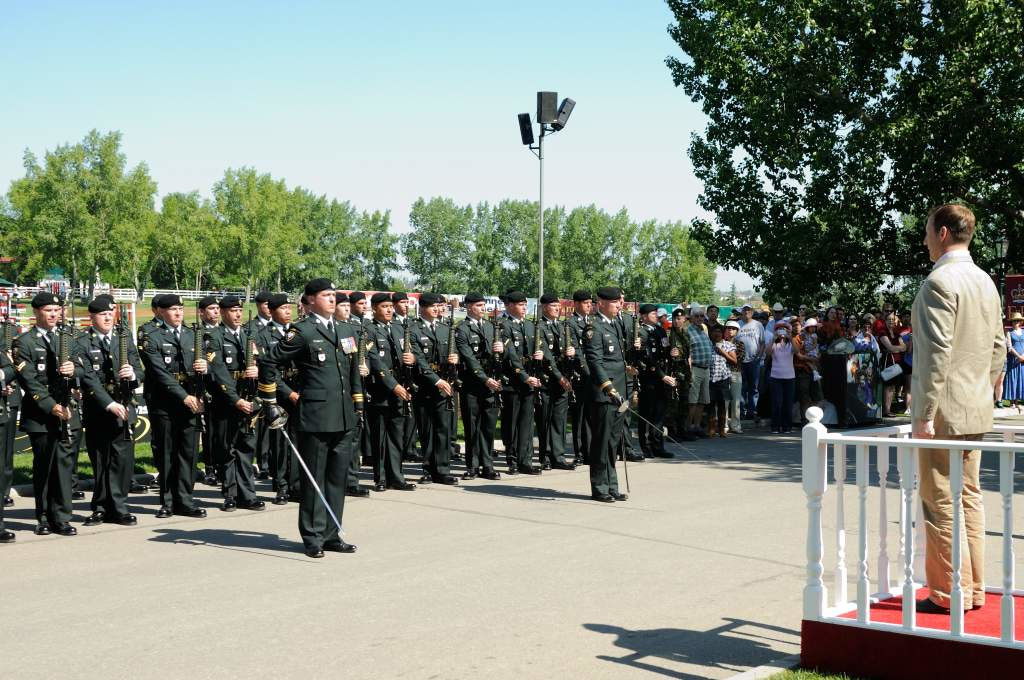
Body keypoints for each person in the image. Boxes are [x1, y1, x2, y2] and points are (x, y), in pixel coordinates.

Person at [911, 203, 1004, 614]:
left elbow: (934, 356)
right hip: (976, 408)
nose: (925, 239)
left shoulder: (938, 282)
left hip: (944, 412)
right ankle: (976, 588)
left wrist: (925, 414)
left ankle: (948, 593)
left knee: (939, 503)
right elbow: (999, 347)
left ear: (944, 233)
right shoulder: (986, 281)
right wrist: (986, 390)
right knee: (969, 498)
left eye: (928, 231)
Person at [257, 278, 364, 558]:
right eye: (326, 295)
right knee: (314, 478)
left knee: (337, 478)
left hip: (343, 416)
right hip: (315, 416)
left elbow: (352, 371)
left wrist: (358, 403)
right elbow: (269, 361)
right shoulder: (302, 331)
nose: (332, 300)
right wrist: (270, 400)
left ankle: (332, 533)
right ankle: (312, 536)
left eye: (334, 295)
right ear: (311, 300)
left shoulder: (346, 329)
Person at [14, 292, 86, 535]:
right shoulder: (24, 342)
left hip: (68, 412)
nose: (54, 314)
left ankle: (62, 517)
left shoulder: (68, 338)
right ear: (36, 313)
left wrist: (74, 369)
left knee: (65, 467)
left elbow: (82, 367)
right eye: (48, 310)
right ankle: (44, 517)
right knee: (44, 466)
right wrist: (49, 405)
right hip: (42, 415)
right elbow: (29, 380)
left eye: (57, 310)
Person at [73, 296, 144, 527]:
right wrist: (108, 404)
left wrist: (132, 375)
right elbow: (88, 379)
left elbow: (140, 372)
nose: (107, 317)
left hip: (124, 406)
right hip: (99, 409)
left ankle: (120, 507)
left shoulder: (124, 339)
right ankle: (101, 507)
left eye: (110, 313)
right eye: (102, 314)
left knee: (122, 460)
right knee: (101, 459)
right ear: (92, 317)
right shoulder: (82, 341)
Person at [142, 294, 209, 519]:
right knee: (167, 451)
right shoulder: (150, 335)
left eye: (180, 308)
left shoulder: (192, 334)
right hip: (164, 402)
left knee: (188, 452)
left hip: (190, 401)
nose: (178, 313)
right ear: (160, 311)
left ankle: (185, 500)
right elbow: (158, 372)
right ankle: (168, 501)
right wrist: (184, 396)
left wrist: (204, 366)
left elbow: (206, 365)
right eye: (172, 309)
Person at [207, 295, 265, 512]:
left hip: (249, 400)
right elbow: (219, 372)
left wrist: (257, 370)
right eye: (233, 311)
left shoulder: (250, 336)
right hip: (227, 402)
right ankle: (230, 494)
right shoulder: (214, 337)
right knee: (227, 449)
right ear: (222, 313)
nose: (238, 315)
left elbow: (264, 361)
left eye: (240, 310)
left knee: (246, 447)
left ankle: (247, 494)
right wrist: (236, 400)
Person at [364, 293, 417, 491]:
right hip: (381, 389)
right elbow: (376, 362)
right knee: (380, 435)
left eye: (390, 306)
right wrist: (393, 385)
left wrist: (412, 359)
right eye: (384, 306)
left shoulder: (398, 328)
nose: (388, 310)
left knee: (396, 434)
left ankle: (396, 476)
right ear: (374, 308)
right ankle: (381, 477)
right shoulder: (368, 330)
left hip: (401, 388)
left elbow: (408, 352)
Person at [582, 286, 628, 503]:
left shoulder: (615, 324)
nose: (619, 304)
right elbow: (595, 362)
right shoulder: (594, 328)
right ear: (600, 303)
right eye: (615, 301)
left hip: (620, 392)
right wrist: (609, 388)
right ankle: (600, 487)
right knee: (601, 441)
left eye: (620, 301)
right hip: (605, 394)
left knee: (612, 441)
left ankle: (612, 485)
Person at [257, 293, 303, 504]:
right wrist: (289, 393)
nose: (288, 311)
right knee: (281, 444)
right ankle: (281, 486)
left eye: (289, 308)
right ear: (272, 310)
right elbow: (269, 369)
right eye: (283, 308)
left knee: (298, 440)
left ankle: (296, 485)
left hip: (299, 392)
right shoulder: (263, 334)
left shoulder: (297, 331)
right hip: (280, 394)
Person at [409, 292, 460, 485]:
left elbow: (453, 353)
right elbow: (419, 361)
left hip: (445, 385)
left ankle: (443, 469)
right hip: (425, 385)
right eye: (433, 306)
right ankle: (428, 468)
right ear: (422, 307)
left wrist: (455, 359)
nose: (437, 309)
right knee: (427, 429)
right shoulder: (414, 329)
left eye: (440, 306)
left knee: (443, 428)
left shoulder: (444, 328)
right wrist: (436, 380)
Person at [455, 292, 503, 480]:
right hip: (472, 384)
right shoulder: (462, 329)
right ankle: (472, 466)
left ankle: (487, 465)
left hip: (490, 384)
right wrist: (484, 379)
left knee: (489, 426)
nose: (482, 309)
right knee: (472, 426)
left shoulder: (491, 327)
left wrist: (501, 350)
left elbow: (499, 357)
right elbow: (469, 358)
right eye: (478, 306)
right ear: (468, 307)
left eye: (483, 305)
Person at [498, 291, 544, 474]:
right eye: (520, 304)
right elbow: (510, 357)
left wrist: (539, 356)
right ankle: (512, 459)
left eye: (525, 304)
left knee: (526, 422)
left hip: (529, 381)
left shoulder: (529, 325)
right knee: (511, 422)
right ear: (509, 306)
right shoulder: (504, 325)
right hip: (513, 381)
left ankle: (525, 460)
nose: (524, 307)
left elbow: (535, 348)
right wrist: (525, 376)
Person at [535, 294, 577, 469]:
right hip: (548, 380)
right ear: (544, 307)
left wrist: (572, 355)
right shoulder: (540, 327)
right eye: (553, 306)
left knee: (559, 419)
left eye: (558, 306)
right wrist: (560, 378)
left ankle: (558, 457)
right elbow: (547, 357)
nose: (557, 308)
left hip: (563, 381)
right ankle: (545, 456)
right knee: (545, 419)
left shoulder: (561, 327)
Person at [636, 303, 676, 455]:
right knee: (647, 412)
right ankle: (645, 446)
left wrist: (671, 353)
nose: (656, 316)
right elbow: (647, 358)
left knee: (659, 413)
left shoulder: (660, 330)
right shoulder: (641, 332)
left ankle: (658, 445)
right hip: (649, 378)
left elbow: (664, 351)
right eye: (653, 314)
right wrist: (662, 375)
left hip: (661, 377)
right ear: (644, 316)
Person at [565, 290, 593, 463]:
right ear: (576, 304)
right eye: (585, 302)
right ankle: (580, 452)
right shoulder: (571, 323)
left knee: (590, 415)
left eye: (590, 302)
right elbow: (577, 351)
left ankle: (590, 450)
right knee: (580, 415)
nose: (589, 305)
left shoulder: (593, 321)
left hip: (593, 374)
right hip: (581, 375)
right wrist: (589, 372)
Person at [685, 306, 713, 438]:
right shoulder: (688, 331)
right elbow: (687, 354)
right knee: (692, 401)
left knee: (702, 401)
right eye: (697, 316)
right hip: (695, 369)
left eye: (702, 316)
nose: (700, 318)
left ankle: (696, 426)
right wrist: (689, 372)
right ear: (691, 317)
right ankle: (688, 427)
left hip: (705, 369)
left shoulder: (703, 330)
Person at [765, 320, 795, 434]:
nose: (782, 331)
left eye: (784, 329)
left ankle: (787, 426)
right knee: (777, 402)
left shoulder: (790, 343)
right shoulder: (774, 343)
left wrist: (790, 337)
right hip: (775, 377)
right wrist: (774, 338)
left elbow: (796, 351)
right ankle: (775, 426)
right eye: (779, 329)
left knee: (788, 403)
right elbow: (767, 353)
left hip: (790, 377)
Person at [792, 317, 823, 420]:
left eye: (798, 325)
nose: (796, 327)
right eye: (794, 325)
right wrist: (812, 359)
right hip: (802, 371)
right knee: (804, 398)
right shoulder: (794, 339)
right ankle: (804, 421)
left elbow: (816, 349)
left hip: (813, 370)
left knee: (817, 396)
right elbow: (799, 356)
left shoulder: (813, 336)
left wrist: (818, 357)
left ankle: (814, 419)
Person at [736, 304, 763, 420]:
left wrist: (758, 357)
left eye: (749, 310)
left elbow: (762, 343)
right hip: (740, 361)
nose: (746, 312)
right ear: (741, 312)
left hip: (754, 361)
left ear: (752, 312)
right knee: (741, 387)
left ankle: (752, 412)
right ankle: (741, 412)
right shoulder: (737, 324)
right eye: (744, 310)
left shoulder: (758, 325)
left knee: (754, 388)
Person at [878, 312, 908, 417]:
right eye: (889, 319)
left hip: (897, 364)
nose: (891, 321)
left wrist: (894, 349)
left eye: (893, 319)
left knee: (892, 387)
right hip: (887, 363)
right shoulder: (882, 332)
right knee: (887, 386)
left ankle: (888, 409)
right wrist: (896, 348)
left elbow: (904, 347)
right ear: (885, 321)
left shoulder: (896, 333)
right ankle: (886, 410)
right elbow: (890, 347)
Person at [708, 325, 735, 437]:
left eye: (719, 331)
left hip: (723, 379)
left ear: (723, 333)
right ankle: (711, 429)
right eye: (715, 331)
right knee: (711, 405)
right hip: (710, 378)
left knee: (722, 405)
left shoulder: (729, 345)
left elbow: (734, 361)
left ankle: (722, 429)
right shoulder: (708, 345)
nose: (717, 333)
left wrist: (722, 352)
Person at [723, 320, 744, 433]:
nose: (730, 330)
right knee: (725, 400)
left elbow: (738, 360)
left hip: (735, 373)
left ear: (737, 331)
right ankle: (724, 425)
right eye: (728, 328)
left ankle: (736, 425)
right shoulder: (720, 342)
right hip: (723, 373)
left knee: (736, 401)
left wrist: (724, 353)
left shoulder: (740, 344)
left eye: (733, 329)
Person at [1003, 312, 1024, 404]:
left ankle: (1018, 400)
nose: (1016, 322)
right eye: (1014, 321)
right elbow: (1009, 347)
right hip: (1013, 359)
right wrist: (1018, 356)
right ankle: (1012, 402)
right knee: (1013, 379)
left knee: (1021, 378)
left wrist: (1023, 356)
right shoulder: (1009, 333)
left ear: (1020, 322)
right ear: (1012, 322)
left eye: (1018, 321)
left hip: (1023, 360)